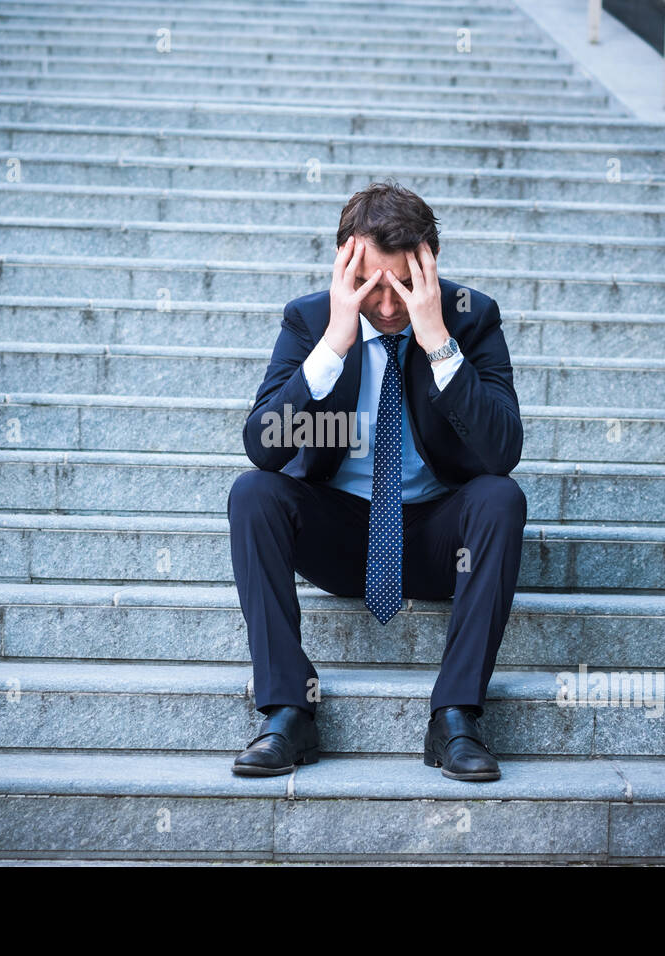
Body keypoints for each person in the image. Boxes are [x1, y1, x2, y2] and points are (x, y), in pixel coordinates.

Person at [227, 181, 526, 782]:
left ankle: (455, 717)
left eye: (403, 284)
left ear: (429, 267)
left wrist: (437, 340)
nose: (388, 305)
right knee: (252, 493)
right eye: (369, 284)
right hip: (341, 534)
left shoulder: (470, 318)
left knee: (500, 498)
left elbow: (501, 452)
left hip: (441, 538)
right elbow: (263, 446)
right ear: (343, 269)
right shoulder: (310, 319)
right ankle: (288, 710)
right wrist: (335, 342)